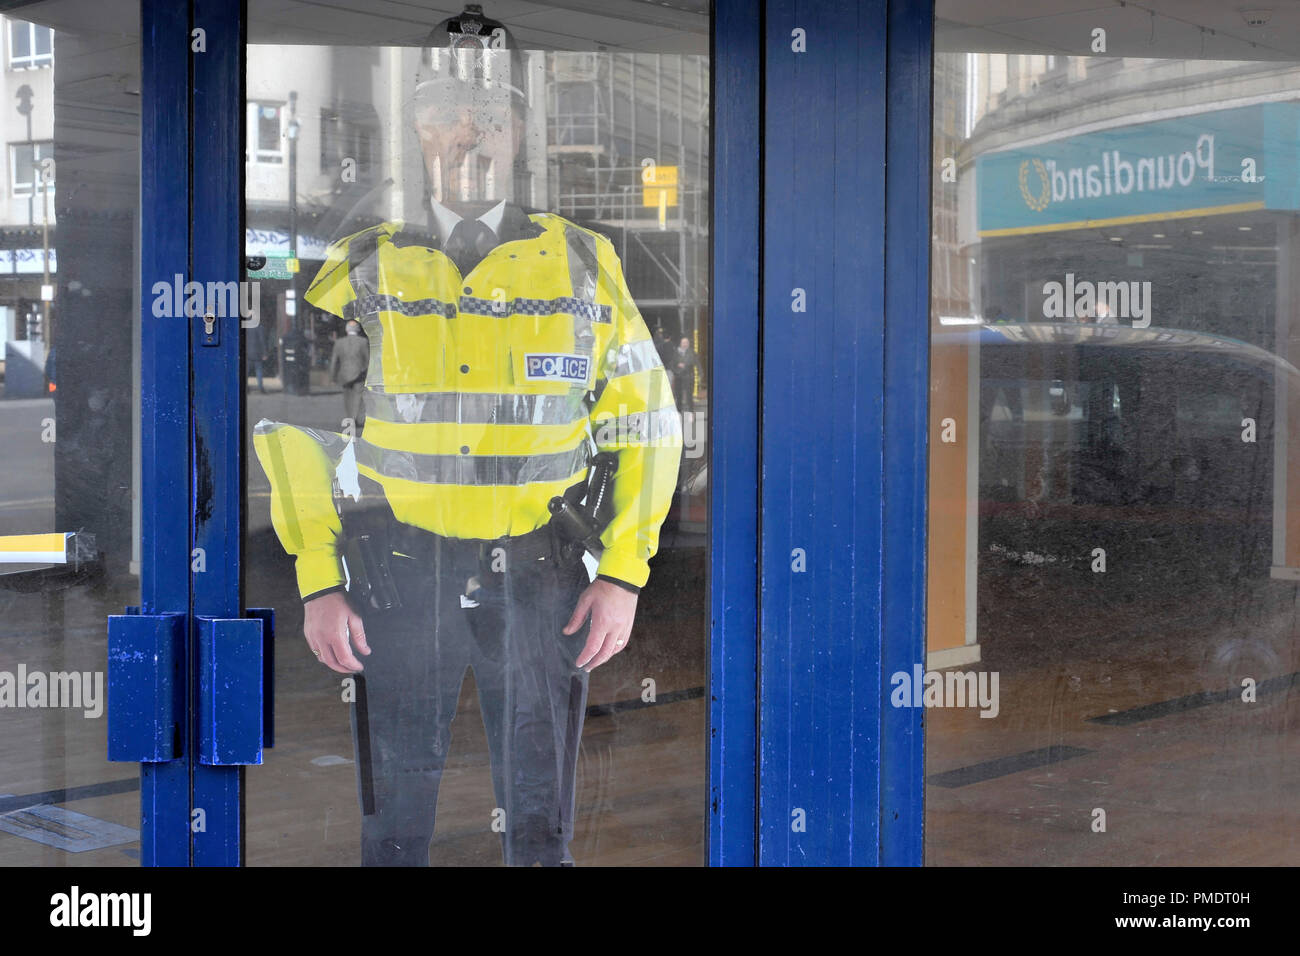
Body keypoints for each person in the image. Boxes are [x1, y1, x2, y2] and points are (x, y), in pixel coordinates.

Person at [252, 5, 680, 867]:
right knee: (395, 821)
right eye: (446, 112)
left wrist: (626, 573)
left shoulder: (585, 261)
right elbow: (293, 430)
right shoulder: (358, 264)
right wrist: (318, 579)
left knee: (539, 818)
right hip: (399, 574)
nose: (469, 133)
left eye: (490, 115)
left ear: (519, 130)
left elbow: (646, 423)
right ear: (417, 128)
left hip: (542, 578)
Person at [328, 319, 369, 430]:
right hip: (359, 374)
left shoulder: (339, 342)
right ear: (358, 330)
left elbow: (334, 361)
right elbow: (367, 359)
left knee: (347, 397)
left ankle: (350, 418)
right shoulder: (363, 342)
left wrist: (332, 376)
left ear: (347, 330)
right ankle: (354, 419)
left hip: (344, 374)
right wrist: (365, 371)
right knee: (357, 396)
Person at [670, 336, 701, 415]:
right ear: (680, 343)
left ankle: (690, 412)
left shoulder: (692, 352)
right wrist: (677, 366)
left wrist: (700, 373)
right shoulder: (675, 352)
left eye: (686, 343)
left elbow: (697, 363)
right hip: (678, 377)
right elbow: (672, 364)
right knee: (678, 395)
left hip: (688, 376)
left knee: (689, 396)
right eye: (683, 343)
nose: (685, 344)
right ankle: (678, 412)